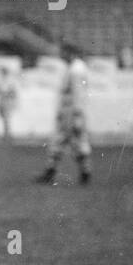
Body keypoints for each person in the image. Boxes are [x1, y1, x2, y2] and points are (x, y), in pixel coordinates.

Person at [36, 41, 91, 185]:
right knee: (62, 142)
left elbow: (78, 94)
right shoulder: (74, 68)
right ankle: (54, 172)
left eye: (64, 53)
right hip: (70, 111)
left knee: (71, 142)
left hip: (72, 112)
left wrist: (77, 115)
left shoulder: (76, 70)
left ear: (70, 53)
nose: (61, 55)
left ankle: (83, 172)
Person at [0, 63, 18, 144]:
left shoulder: (10, 81)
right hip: (2, 100)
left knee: (6, 118)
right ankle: (6, 135)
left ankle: (7, 135)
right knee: (4, 118)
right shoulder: (0, 81)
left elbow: (13, 92)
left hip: (7, 101)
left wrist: (5, 94)